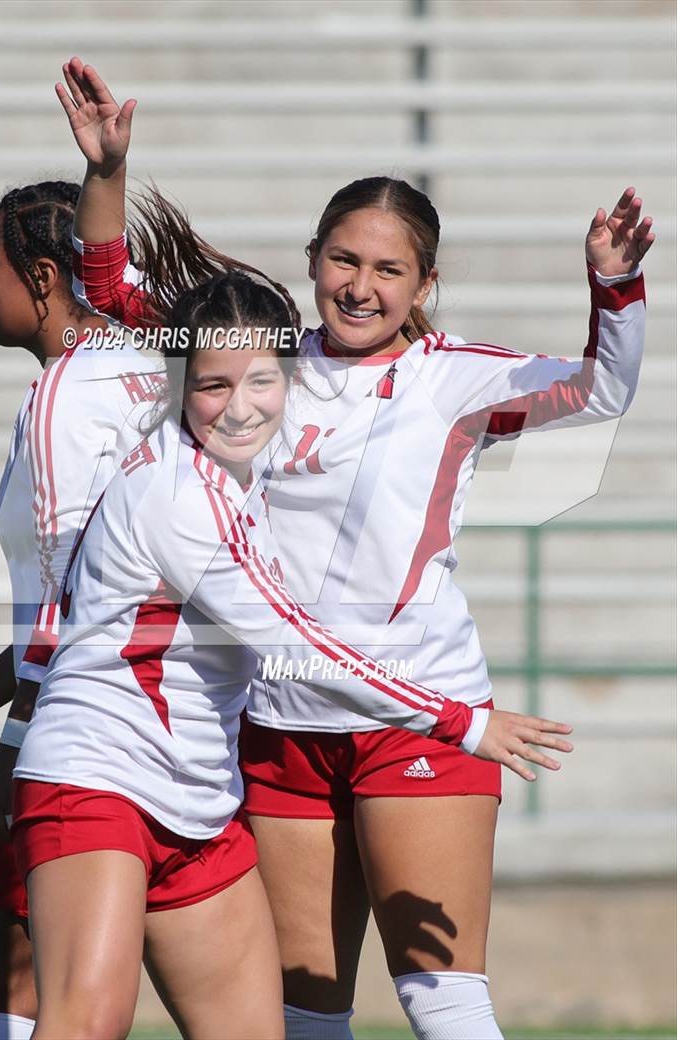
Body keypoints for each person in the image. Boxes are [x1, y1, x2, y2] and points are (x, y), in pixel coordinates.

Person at [60, 55, 653, 1040]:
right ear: (311, 257)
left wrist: (615, 281)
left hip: (420, 712)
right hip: (283, 714)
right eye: (343, 258)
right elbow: (113, 299)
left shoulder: (453, 379)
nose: (361, 284)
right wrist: (107, 172)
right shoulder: (263, 360)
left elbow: (602, 391)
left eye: (387, 268)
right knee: (304, 1013)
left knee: (441, 998)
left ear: (426, 280)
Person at [10, 263, 572, 1040]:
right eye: (212, 386)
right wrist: (460, 722)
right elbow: (293, 643)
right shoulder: (180, 492)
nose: (239, 409)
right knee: (85, 1025)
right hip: (101, 777)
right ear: (180, 385)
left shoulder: (247, 468)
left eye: (260, 383)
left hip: (199, 803)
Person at [0, 180, 161, 1040]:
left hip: (93, 732)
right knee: (2, 958)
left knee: (47, 985)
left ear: (44, 276)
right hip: (149, 715)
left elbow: (69, 607)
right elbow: (87, 589)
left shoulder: (66, 397)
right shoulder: (133, 372)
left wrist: (13, 745)